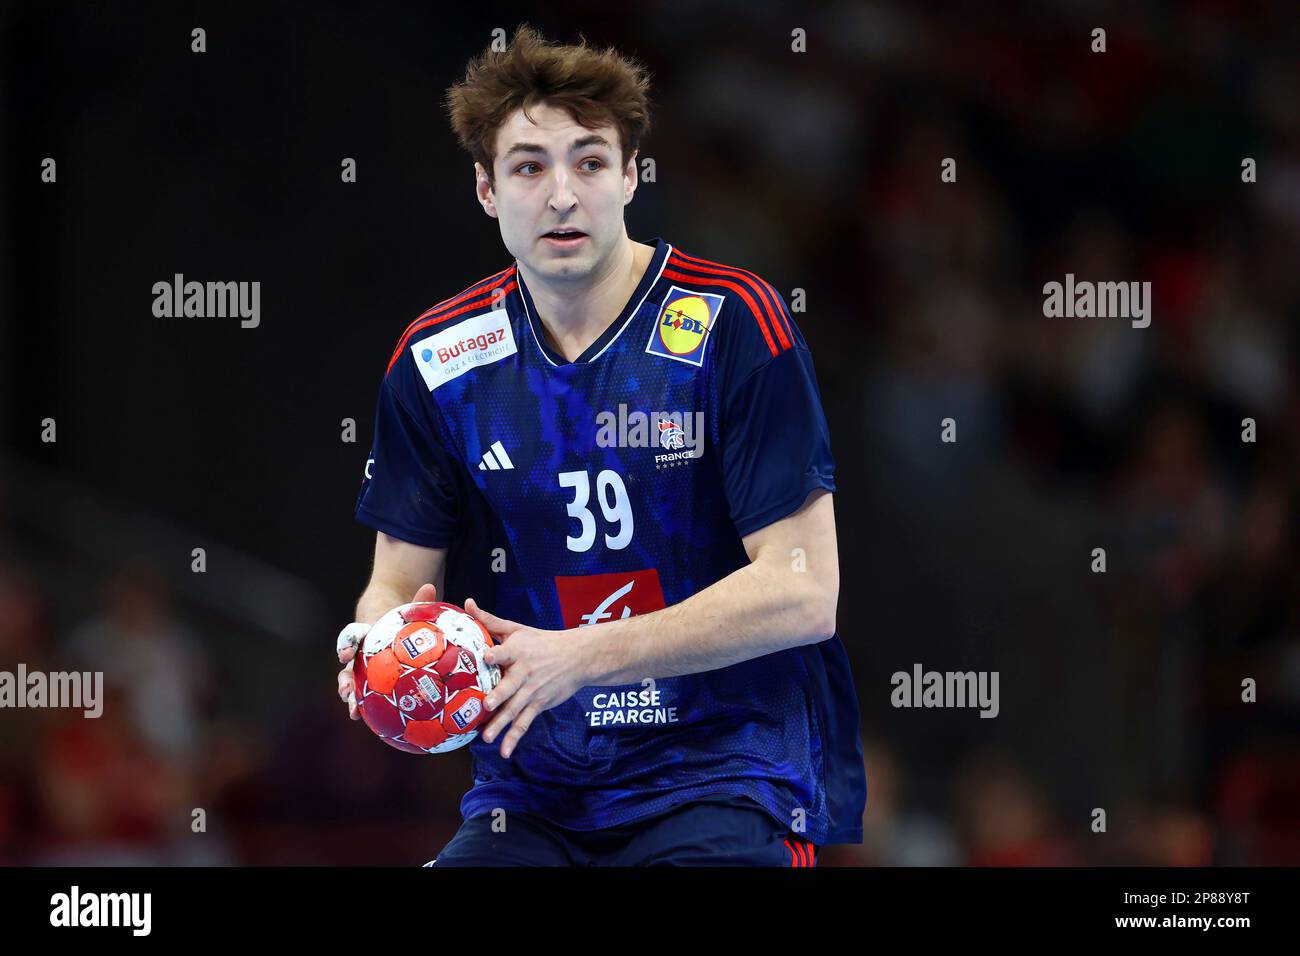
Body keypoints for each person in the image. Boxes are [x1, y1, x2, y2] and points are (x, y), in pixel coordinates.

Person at [335, 24, 865, 866]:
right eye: (528, 167)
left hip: (720, 773)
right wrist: (373, 644)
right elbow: (396, 583)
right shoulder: (436, 361)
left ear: (629, 177)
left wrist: (581, 658)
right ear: (485, 190)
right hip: (533, 793)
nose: (561, 195)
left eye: (588, 162)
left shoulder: (733, 322)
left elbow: (804, 595)